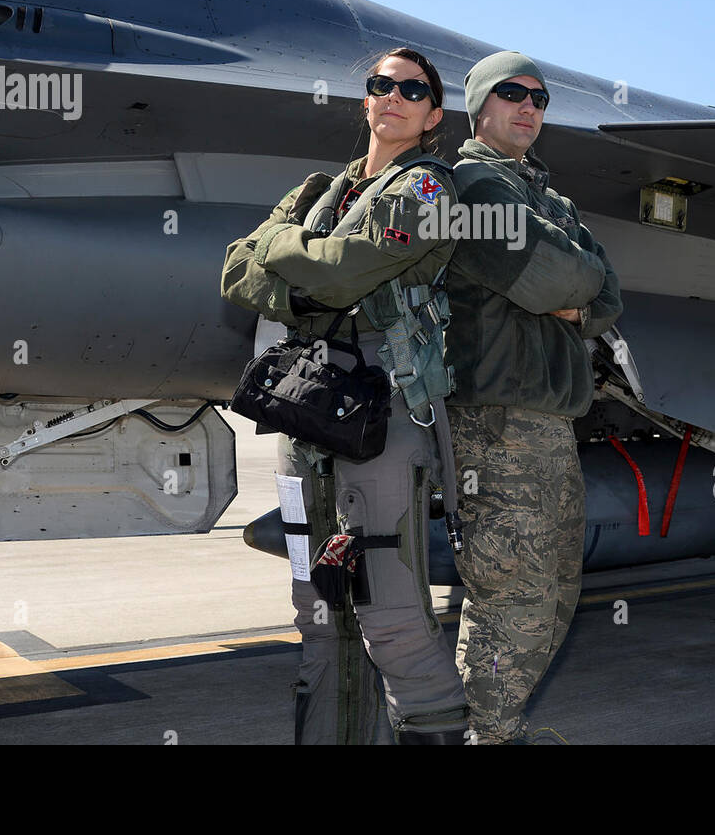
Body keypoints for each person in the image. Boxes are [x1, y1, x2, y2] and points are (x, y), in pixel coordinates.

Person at [220, 47, 468, 744]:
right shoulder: (318, 193)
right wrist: (301, 271)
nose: (394, 96)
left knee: (390, 616)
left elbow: (341, 275)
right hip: (304, 415)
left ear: (432, 113)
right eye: (380, 85)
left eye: (412, 89)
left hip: (381, 414)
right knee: (318, 615)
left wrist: (283, 256)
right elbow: (235, 271)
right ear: (364, 100)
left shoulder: (427, 192)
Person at [444, 50, 622, 744]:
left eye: (540, 98)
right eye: (512, 93)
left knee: (554, 593)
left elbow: (606, 294)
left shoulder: (553, 201)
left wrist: (577, 297)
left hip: (550, 426)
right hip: (497, 423)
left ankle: (495, 725)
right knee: (509, 595)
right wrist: (573, 288)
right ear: (480, 106)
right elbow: (551, 279)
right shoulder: (474, 187)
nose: (529, 107)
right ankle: (486, 735)